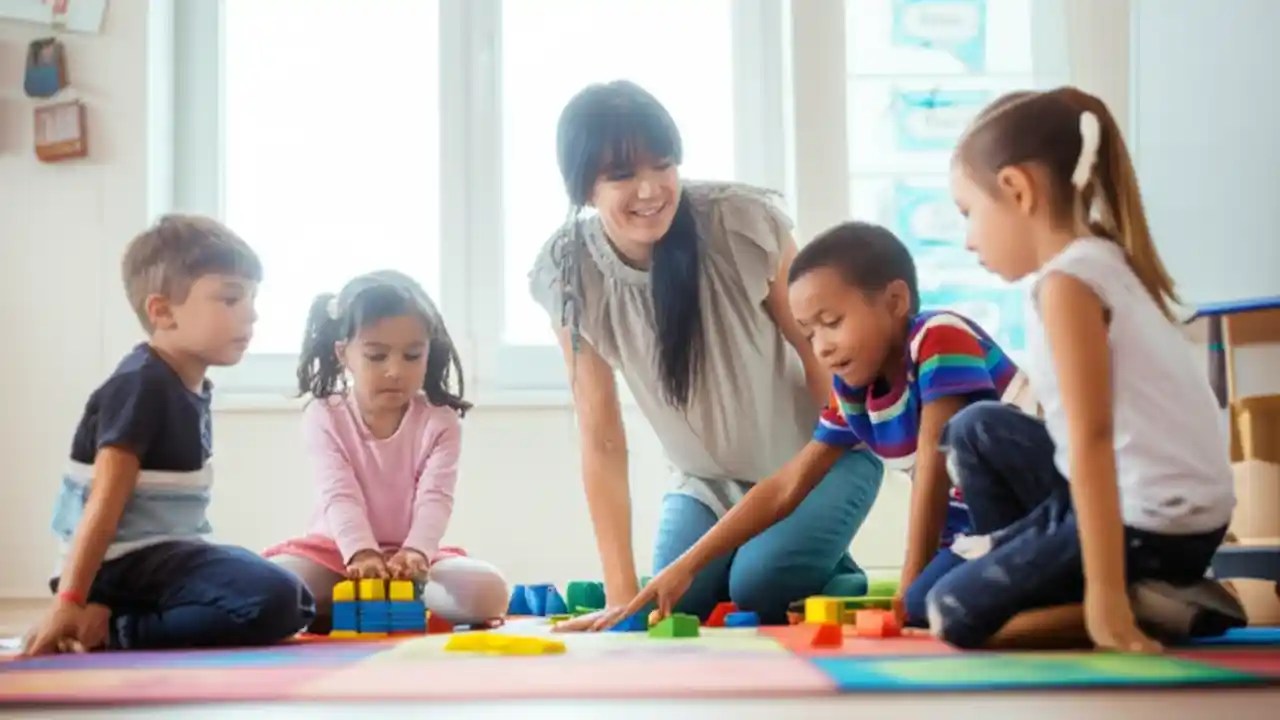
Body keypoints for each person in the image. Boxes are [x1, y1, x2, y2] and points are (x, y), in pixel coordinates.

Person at [529, 80, 884, 629]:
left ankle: (838, 578)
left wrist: (821, 462)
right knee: (674, 603)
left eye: (662, 165)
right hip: (708, 486)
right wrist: (622, 596)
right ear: (584, 188)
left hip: (820, 457)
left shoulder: (740, 222)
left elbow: (818, 353)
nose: (649, 190)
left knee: (756, 583)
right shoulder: (570, 273)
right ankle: (784, 559)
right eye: (622, 175)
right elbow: (600, 435)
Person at [927, 86, 1242, 652]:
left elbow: (1093, 440)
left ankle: (1148, 606)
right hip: (1156, 511)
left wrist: (1105, 595)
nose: (969, 239)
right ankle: (1081, 584)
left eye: (969, 213)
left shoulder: (1069, 286)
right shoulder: (1102, 259)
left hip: (1151, 525)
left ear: (1016, 190)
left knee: (949, 612)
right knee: (975, 427)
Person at [614, 222, 1029, 628]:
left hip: (1035, 506)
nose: (822, 347)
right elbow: (786, 487)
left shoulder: (938, 337)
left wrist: (907, 588)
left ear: (895, 300)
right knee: (938, 608)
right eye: (809, 334)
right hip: (974, 534)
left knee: (931, 605)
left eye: (832, 323)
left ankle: (1070, 606)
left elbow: (933, 470)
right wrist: (686, 566)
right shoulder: (853, 391)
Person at [22, 215, 314, 656]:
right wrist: (68, 598)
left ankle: (114, 615)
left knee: (296, 598)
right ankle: (116, 628)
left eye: (252, 298)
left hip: (161, 557)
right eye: (230, 298)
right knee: (273, 601)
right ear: (162, 311)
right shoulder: (142, 384)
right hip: (120, 564)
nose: (251, 314)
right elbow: (105, 501)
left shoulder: (189, 384)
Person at [264, 270, 508, 630]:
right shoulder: (325, 415)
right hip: (334, 554)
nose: (395, 370)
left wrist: (416, 553)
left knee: (489, 592)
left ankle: (382, 600)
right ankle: (358, 597)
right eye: (377, 356)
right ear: (343, 353)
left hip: (411, 559)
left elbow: (435, 500)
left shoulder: (441, 422)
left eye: (412, 355)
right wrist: (361, 553)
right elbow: (339, 494)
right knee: (272, 587)